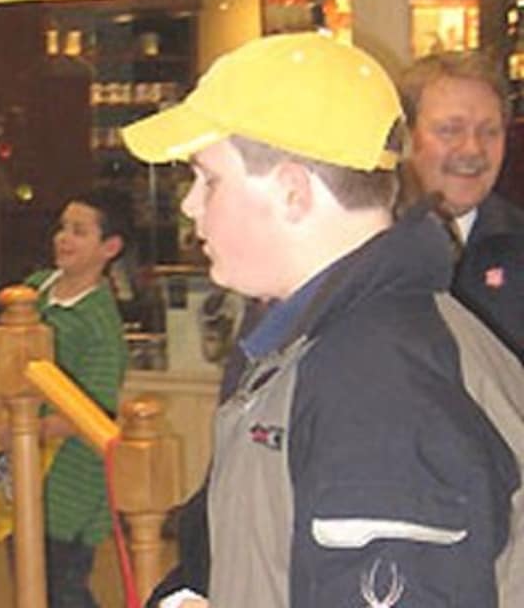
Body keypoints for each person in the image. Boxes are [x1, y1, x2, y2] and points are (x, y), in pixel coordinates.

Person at [119, 32, 524, 607]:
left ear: (292, 191)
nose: (189, 205)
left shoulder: (377, 388)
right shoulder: (316, 346)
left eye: (208, 179)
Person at [0, 190, 131, 608]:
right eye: (63, 228)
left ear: (109, 248)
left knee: (61, 585)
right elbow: (2, 361)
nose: (64, 238)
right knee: (25, 571)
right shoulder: (33, 291)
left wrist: (29, 433)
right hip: (21, 466)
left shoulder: (99, 323)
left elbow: (94, 410)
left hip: (71, 478)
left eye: (80, 232)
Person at [398, 50, 524, 357]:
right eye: (450, 130)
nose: (472, 149)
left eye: (489, 132)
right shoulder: (366, 245)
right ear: (406, 136)